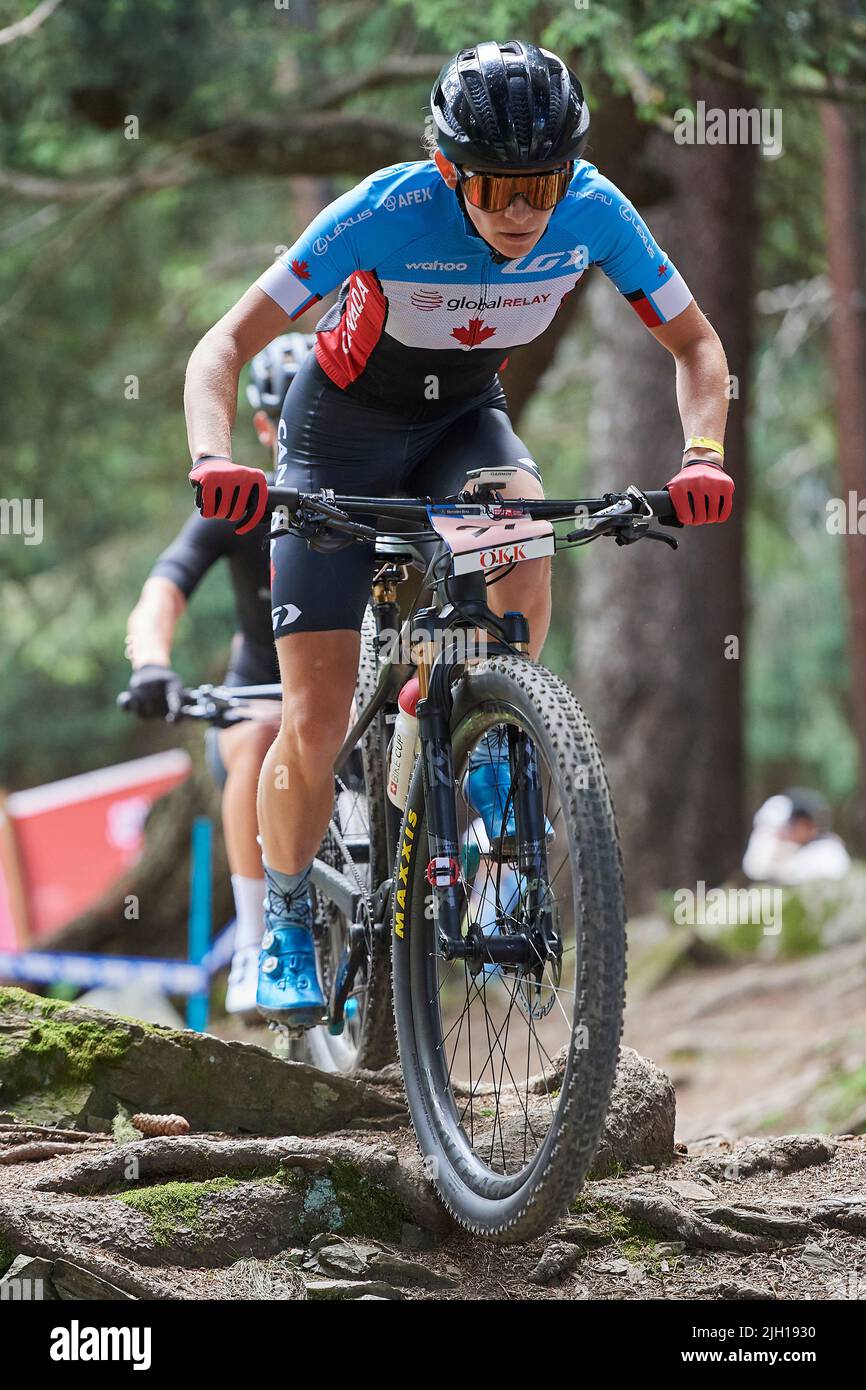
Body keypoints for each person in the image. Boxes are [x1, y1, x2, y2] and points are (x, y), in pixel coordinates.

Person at [183, 40, 735, 1026]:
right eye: (498, 190)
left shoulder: (596, 212)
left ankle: (499, 767)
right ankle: (289, 912)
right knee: (307, 721)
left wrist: (698, 454)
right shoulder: (386, 209)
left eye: (542, 187)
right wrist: (214, 459)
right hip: (334, 440)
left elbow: (694, 345)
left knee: (520, 535)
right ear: (450, 168)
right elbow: (223, 345)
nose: (523, 213)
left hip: (457, 430)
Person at [125, 334, 315, 1014]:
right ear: (262, 427)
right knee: (264, 741)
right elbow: (164, 590)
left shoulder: (373, 490)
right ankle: (255, 944)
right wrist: (151, 664)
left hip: (344, 694)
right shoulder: (244, 502)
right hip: (258, 695)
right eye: (290, 413)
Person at [742, 789, 851, 885]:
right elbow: (754, 867)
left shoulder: (828, 850)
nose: (783, 833)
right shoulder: (779, 847)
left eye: (789, 825)